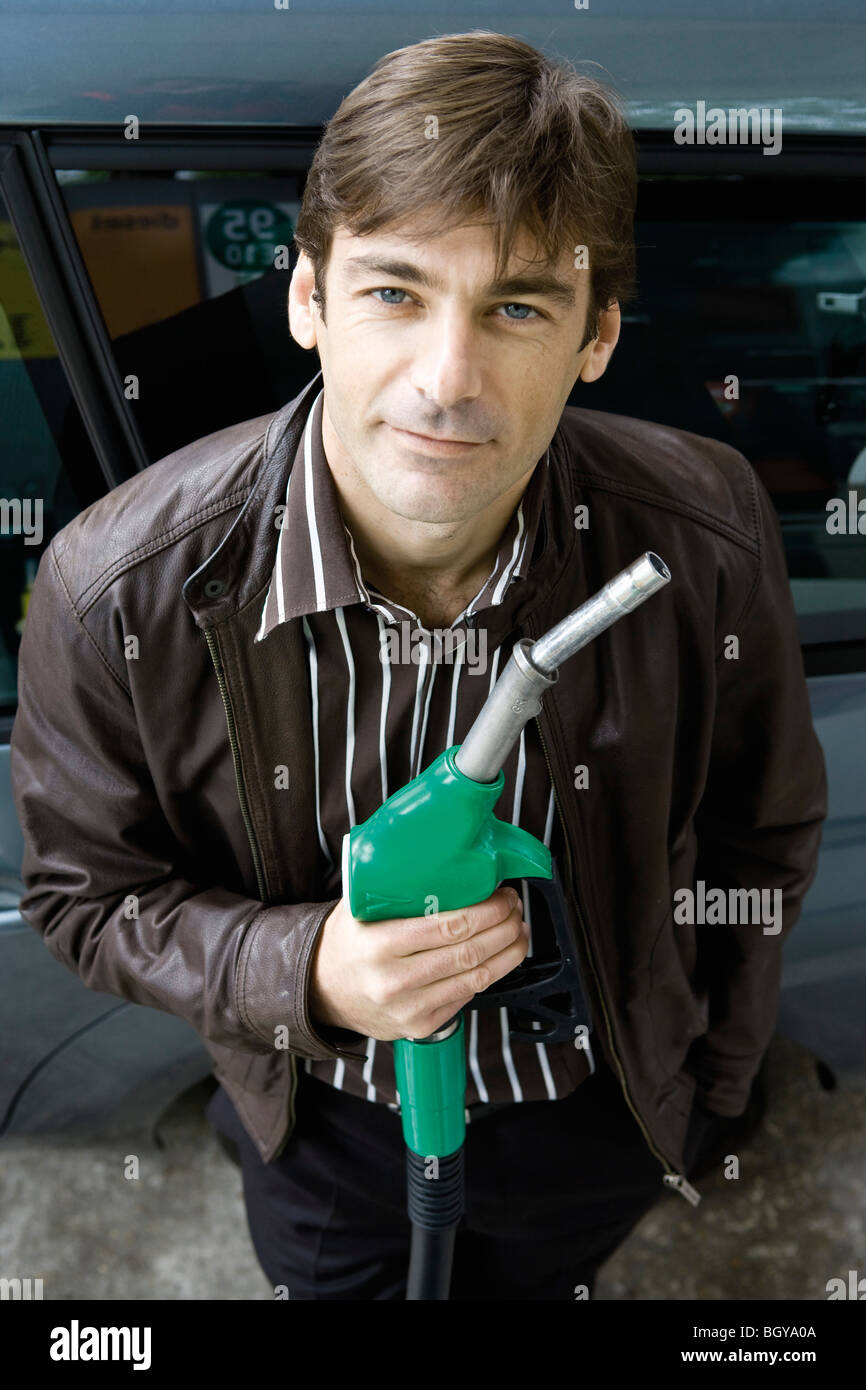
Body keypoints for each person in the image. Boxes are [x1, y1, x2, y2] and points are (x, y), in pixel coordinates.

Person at [10, 31, 827, 1301]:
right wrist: (308, 971)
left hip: (597, 1122)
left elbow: (757, 831)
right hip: (328, 1138)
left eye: (515, 307)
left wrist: (702, 1088)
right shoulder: (110, 587)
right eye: (393, 291)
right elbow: (84, 900)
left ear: (596, 334)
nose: (447, 383)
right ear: (306, 299)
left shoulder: (703, 526)